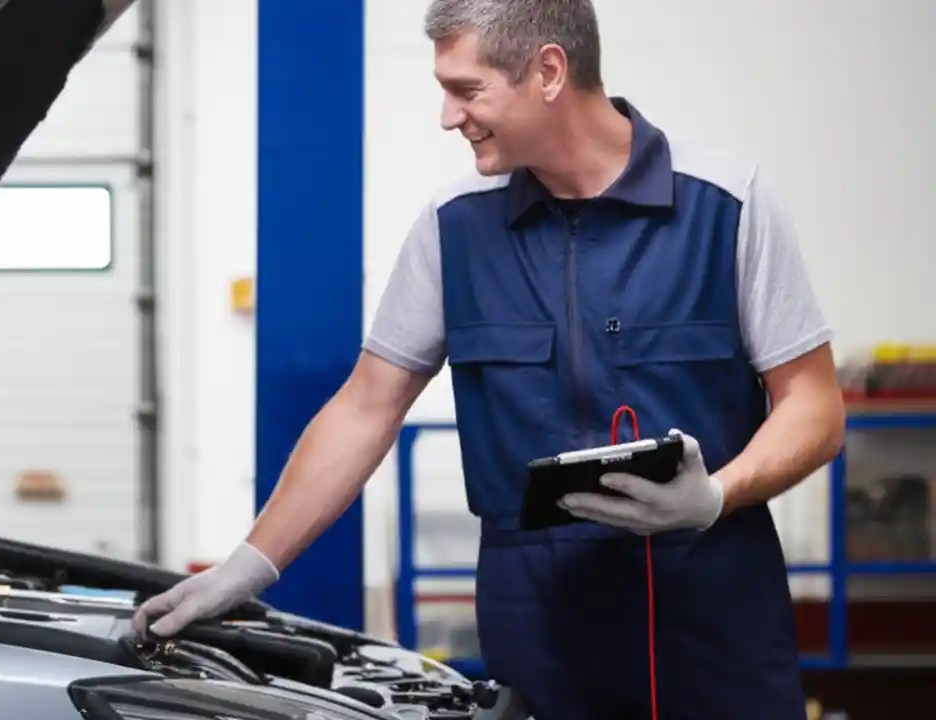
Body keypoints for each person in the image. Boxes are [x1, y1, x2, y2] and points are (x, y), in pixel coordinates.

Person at [133, 0, 846, 716]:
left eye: (466, 90)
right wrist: (249, 567)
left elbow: (814, 407)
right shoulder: (455, 228)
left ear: (548, 71)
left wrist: (715, 495)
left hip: (713, 618)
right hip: (541, 636)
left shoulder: (727, 203)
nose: (449, 116)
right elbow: (366, 406)